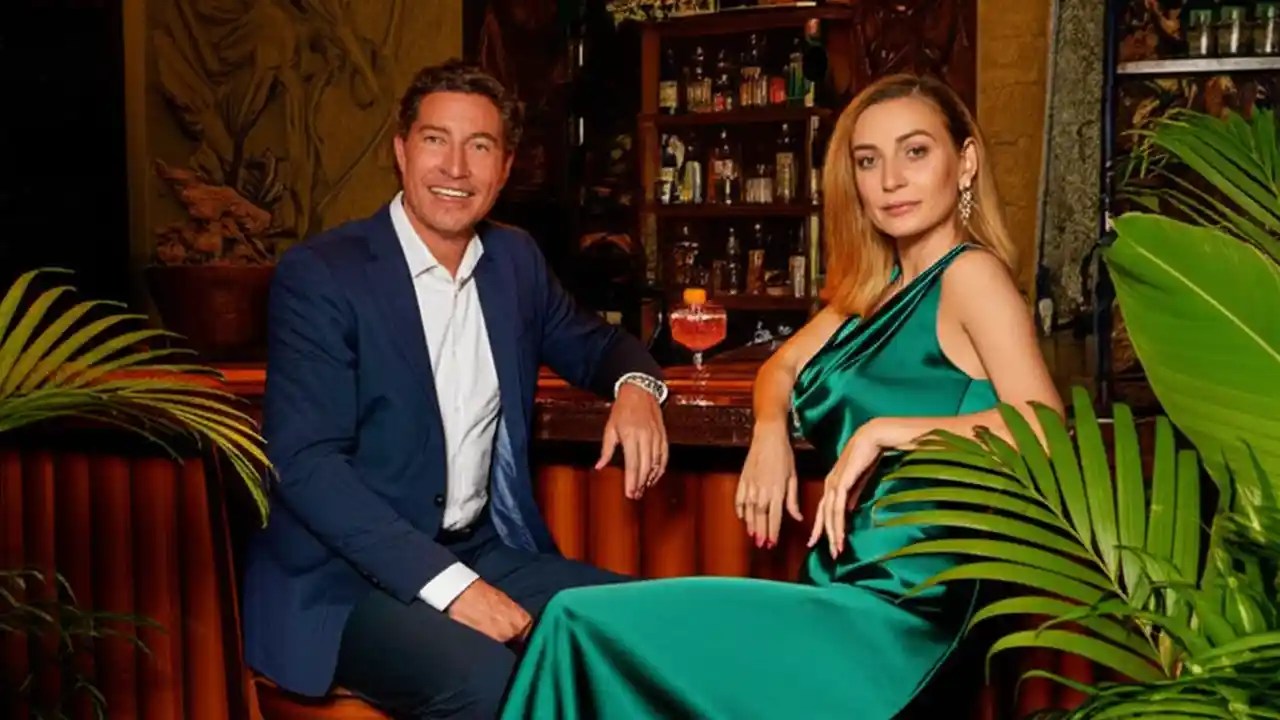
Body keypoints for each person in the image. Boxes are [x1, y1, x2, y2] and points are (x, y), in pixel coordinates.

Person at [499, 73, 1064, 719]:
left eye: (915, 152)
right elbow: (782, 365)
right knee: (584, 632)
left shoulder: (970, 274)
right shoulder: (876, 289)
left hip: (908, 610)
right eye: (868, 161)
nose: (890, 180)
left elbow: (1043, 426)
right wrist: (769, 431)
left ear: (964, 162)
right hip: (846, 582)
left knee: (578, 624)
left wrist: (883, 432)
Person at [241, 59, 671, 719]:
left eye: (480, 147)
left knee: (640, 631)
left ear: (505, 168)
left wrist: (637, 387)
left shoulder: (514, 261)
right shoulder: (322, 274)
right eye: (435, 140)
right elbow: (305, 465)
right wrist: (452, 588)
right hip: (341, 581)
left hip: (478, 550)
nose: (455, 167)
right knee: (494, 682)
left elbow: (595, 345)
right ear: (401, 151)